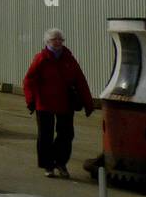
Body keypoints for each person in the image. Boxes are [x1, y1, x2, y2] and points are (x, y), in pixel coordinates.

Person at [22, 28, 94, 178]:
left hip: (65, 102)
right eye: (54, 39)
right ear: (47, 42)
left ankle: (61, 162)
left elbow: (80, 81)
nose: (58, 42)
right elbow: (29, 80)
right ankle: (48, 165)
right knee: (45, 135)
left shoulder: (69, 59)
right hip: (44, 103)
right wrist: (30, 100)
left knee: (66, 134)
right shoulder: (41, 59)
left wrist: (88, 103)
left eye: (60, 39)